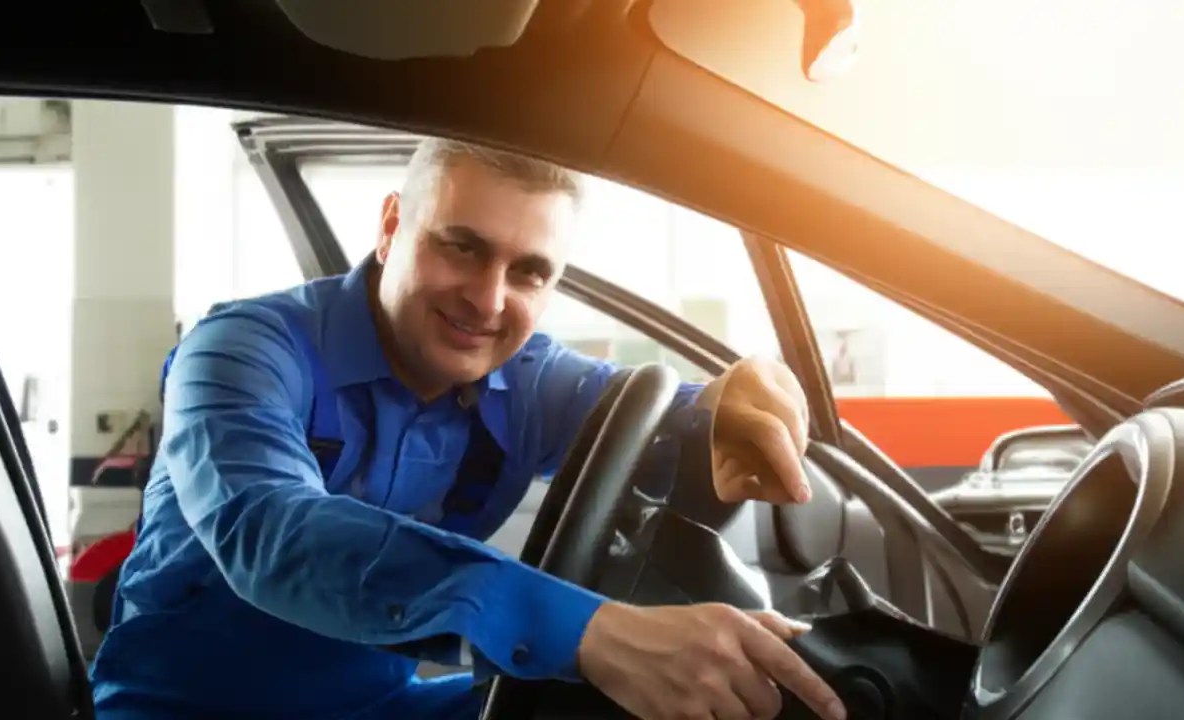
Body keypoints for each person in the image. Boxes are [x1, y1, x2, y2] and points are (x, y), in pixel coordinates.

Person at [89, 137, 847, 720]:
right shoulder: (242, 350)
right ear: (392, 226)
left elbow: (659, 421)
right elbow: (273, 531)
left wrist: (722, 412)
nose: (488, 301)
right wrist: (590, 633)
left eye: (529, 273)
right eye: (463, 247)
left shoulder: (530, 381)